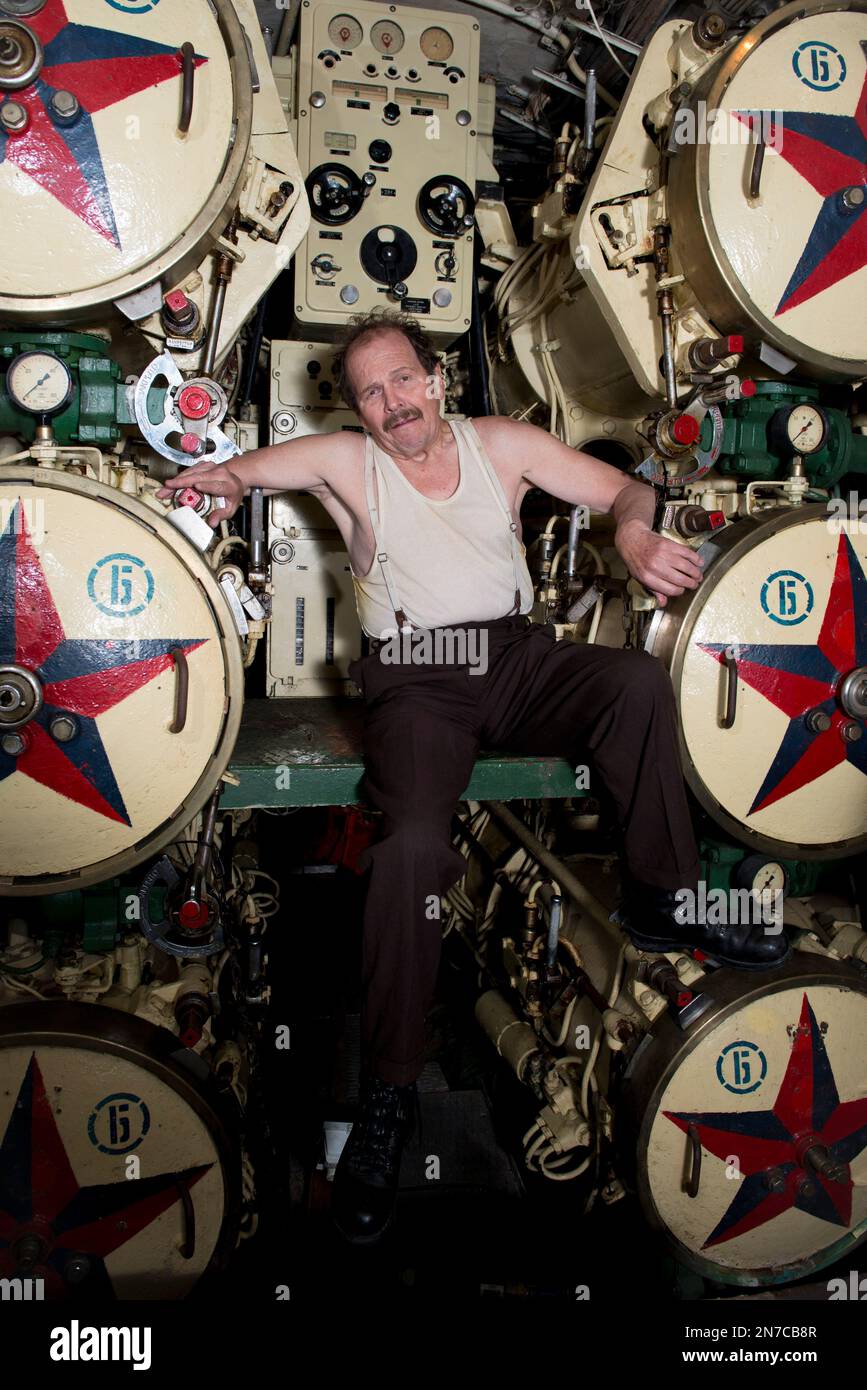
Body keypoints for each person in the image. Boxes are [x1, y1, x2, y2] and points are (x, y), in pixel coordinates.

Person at [156, 308, 789, 1245]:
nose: (392, 402)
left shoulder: (501, 443)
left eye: (404, 379)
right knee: (410, 847)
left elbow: (625, 490)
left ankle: (668, 898)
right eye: (371, 390)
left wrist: (633, 537)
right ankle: (389, 1094)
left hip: (514, 657)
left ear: (437, 379)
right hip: (416, 681)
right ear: (358, 408)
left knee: (632, 683)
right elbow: (249, 469)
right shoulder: (346, 461)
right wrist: (214, 479)